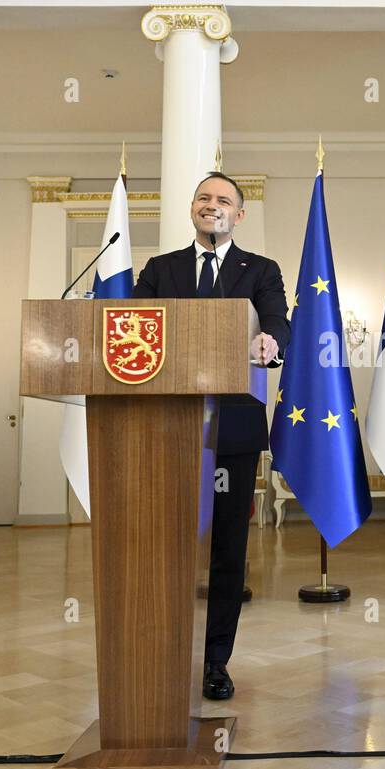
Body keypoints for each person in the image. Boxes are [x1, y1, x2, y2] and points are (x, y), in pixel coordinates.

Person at [133, 172, 290, 700]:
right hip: (166, 427)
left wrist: (270, 341)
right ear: (191, 209)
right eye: (204, 198)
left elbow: (277, 322)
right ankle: (164, 649)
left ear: (238, 216)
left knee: (227, 549)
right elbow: (135, 326)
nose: (212, 205)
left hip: (234, 428)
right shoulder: (160, 270)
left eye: (224, 200)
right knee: (166, 546)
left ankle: (215, 660)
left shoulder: (260, 270)